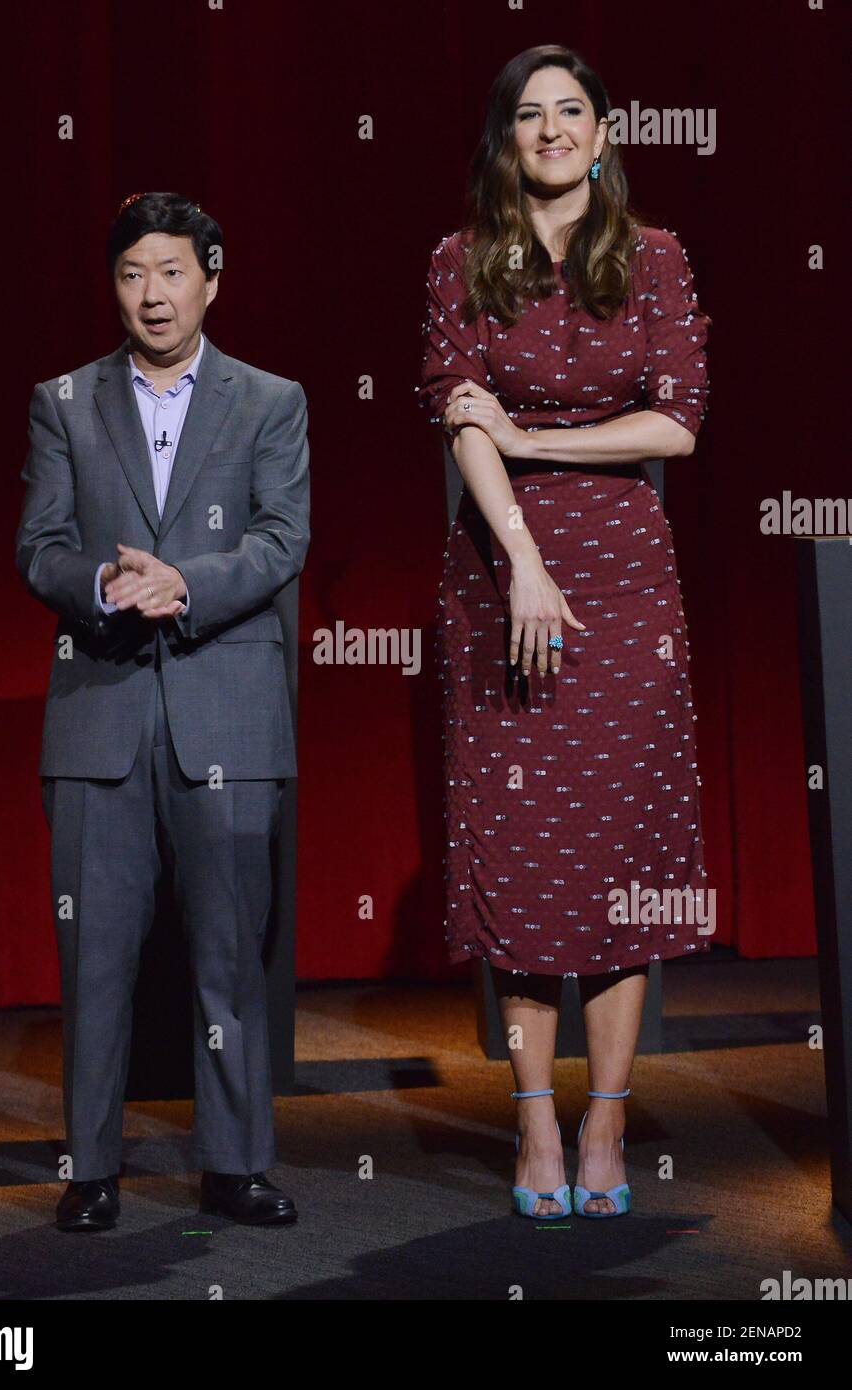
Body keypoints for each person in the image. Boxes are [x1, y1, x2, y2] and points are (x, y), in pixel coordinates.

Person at [417, 46, 713, 1219]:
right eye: (527, 116)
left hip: (629, 583)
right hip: (500, 574)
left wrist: (534, 440)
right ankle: (536, 1125)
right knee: (526, 855)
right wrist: (523, 556)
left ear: (601, 133)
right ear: (506, 142)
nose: (549, 130)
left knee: (621, 859)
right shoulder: (458, 262)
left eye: (569, 112)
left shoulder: (656, 259)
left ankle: (607, 1124)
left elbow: (677, 425)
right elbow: (458, 413)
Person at [16, 191, 310, 1231]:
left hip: (227, 710)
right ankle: (90, 1165)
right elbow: (38, 545)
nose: (153, 293)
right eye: (134, 272)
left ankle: (235, 1164)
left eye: (173, 271)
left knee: (231, 954)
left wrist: (179, 583)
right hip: (99, 713)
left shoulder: (271, 400)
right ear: (115, 285)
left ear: (212, 278)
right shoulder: (63, 400)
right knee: (96, 955)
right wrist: (105, 585)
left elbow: (282, 541)